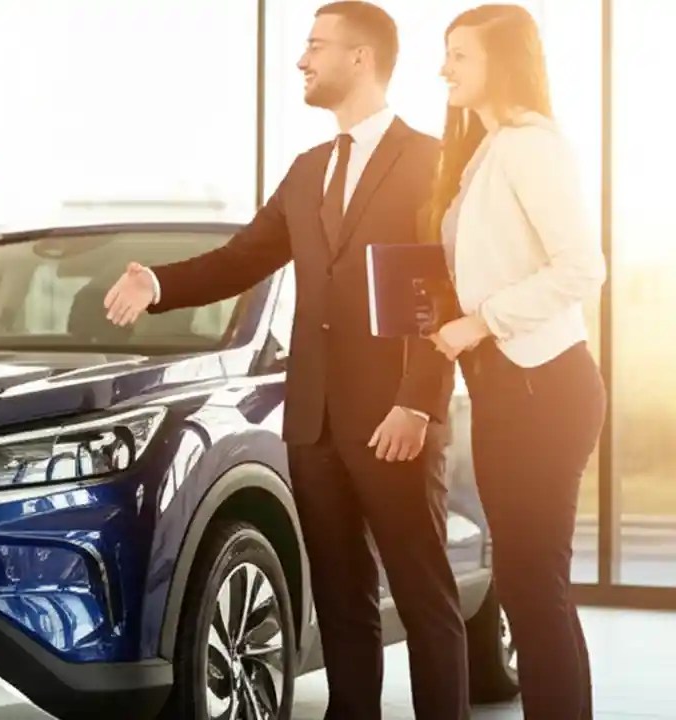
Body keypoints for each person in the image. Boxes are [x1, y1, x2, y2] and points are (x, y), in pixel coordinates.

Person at [105, 2, 468, 718]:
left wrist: (418, 401)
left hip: (395, 420)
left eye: (315, 46)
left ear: (361, 58)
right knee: (338, 600)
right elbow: (242, 259)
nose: (302, 60)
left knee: (424, 599)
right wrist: (158, 284)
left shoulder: (430, 163)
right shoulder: (307, 171)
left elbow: (447, 291)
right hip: (314, 425)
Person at [429, 6, 605, 719]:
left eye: (459, 56)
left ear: (500, 62)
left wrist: (480, 323)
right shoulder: (488, 148)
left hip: (544, 387)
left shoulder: (532, 145)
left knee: (536, 589)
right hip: (508, 389)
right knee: (528, 588)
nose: (444, 69)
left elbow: (582, 268)